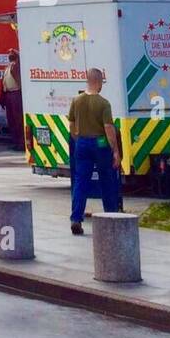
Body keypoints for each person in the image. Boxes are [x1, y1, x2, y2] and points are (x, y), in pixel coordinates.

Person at [68, 68, 121, 235]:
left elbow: (71, 125)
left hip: (82, 142)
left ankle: (76, 218)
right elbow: (108, 128)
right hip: (100, 143)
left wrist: (78, 140)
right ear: (99, 82)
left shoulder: (76, 100)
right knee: (107, 180)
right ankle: (111, 217)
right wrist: (115, 151)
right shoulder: (104, 103)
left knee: (81, 181)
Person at [0, 50, 23, 150]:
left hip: (16, 94)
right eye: (9, 55)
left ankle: (21, 143)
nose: (10, 56)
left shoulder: (17, 66)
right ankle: (15, 141)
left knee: (18, 120)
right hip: (8, 94)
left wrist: (17, 55)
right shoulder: (7, 67)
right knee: (11, 120)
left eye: (12, 55)